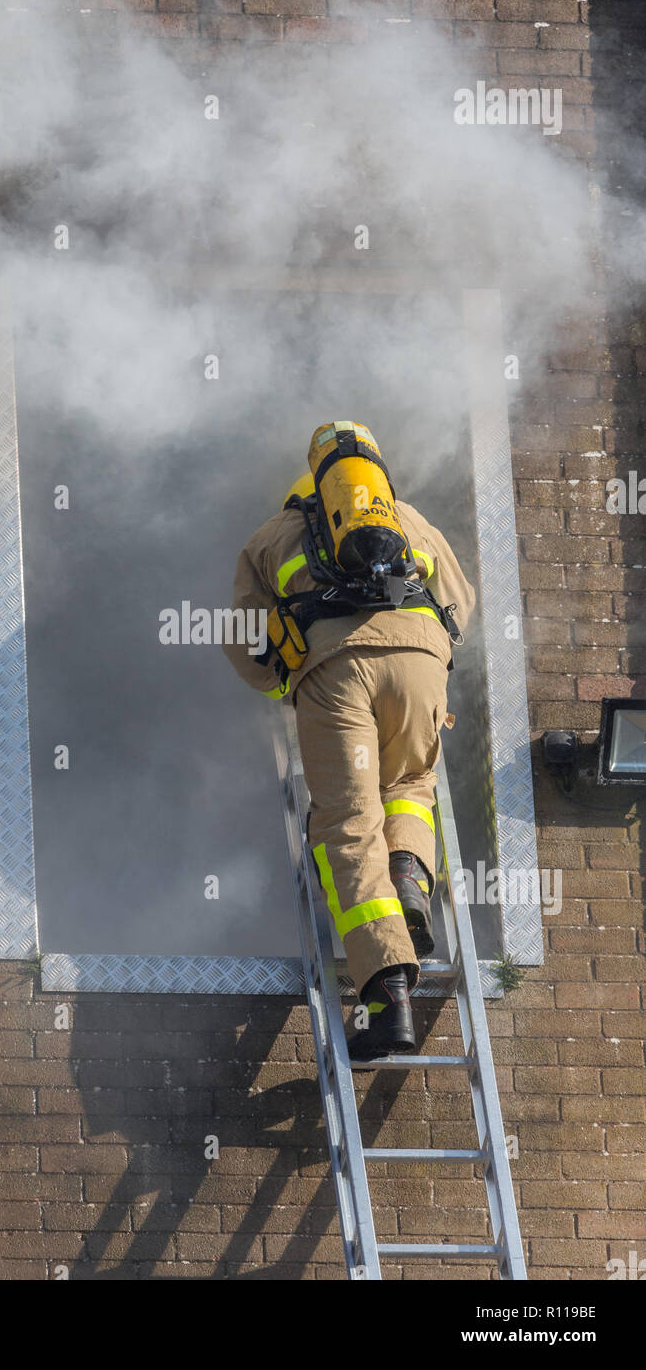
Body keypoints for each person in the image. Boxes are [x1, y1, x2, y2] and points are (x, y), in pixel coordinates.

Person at [222, 422, 476, 1061]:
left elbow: (246, 645)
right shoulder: (413, 523)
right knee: (411, 784)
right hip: (420, 669)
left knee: (348, 825)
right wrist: (424, 654)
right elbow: (461, 605)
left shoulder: (271, 537)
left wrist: (284, 682)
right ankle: (409, 877)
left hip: (340, 677)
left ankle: (385, 995)